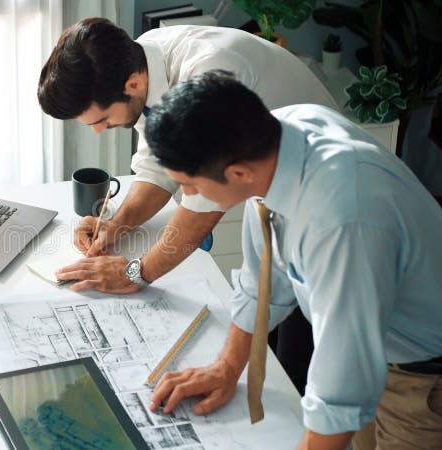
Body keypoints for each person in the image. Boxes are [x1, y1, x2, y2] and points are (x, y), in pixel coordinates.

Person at [144, 70, 442, 449]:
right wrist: (226, 367)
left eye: (189, 184)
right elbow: (263, 279)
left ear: (237, 172)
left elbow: (342, 385)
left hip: (422, 381)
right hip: (378, 353)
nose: (188, 194)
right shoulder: (278, 139)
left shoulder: (341, 219)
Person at [38, 18, 337, 294]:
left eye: (101, 120)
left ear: (133, 85)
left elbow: (204, 202)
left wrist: (133, 273)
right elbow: (157, 165)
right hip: (274, 193)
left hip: (326, 192)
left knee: (310, 322)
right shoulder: (140, 61)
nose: (100, 131)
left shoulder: (212, 72)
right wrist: (117, 225)